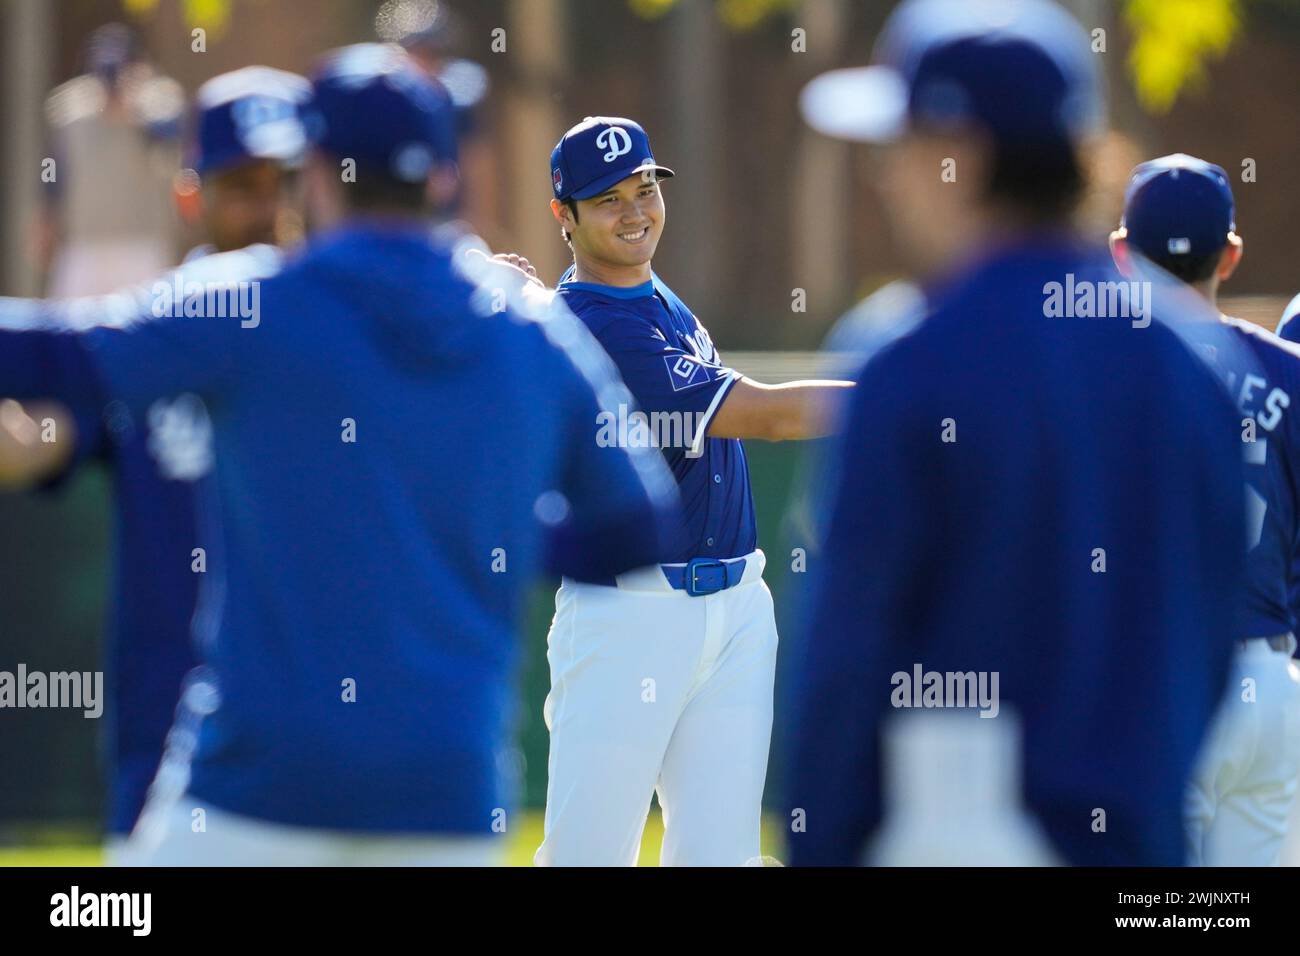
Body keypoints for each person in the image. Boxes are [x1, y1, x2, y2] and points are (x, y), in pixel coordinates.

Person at [0, 44, 679, 866]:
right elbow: (639, 528)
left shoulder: (254, 302)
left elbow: (52, 354)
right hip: (446, 796)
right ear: (441, 179)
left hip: (253, 798)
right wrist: (485, 538)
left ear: (318, 172)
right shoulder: (529, 329)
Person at [788, 0, 1246, 866]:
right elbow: (1208, 642)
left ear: (963, 155)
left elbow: (846, 671)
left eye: (905, 145)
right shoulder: (1194, 362)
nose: (887, 176)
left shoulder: (906, 359)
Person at [0, 66, 309, 861]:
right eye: (243, 183)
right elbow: (43, 439)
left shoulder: (335, 337)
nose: (267, 206)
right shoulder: (152, 336)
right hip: (165, 712)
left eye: (285, 182)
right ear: (190, 194)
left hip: (303, 720)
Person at [533, 116, 853, 866]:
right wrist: (916, 392)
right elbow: (770, 416)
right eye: (608, 198)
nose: (636, 210)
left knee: (722, 857)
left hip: (737, 602)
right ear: (564, 216)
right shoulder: (594, 323)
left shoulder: (638, 292)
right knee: (588, 857)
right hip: (633, 613)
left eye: (645, 188)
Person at [1110, 154, 1300, 866]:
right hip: (1272, 684)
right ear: (1232, 252)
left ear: (1122, 254)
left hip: (1162, 682)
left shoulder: (1097, 373)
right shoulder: (1286, 369)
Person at [36, 23, 184, 296]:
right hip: (84, 246)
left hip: (141, 246)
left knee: (143, 332)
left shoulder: (160, 103)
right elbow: (53, 173)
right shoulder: (69, 110)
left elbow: (173, 150)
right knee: (69, 329)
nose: (111, 85)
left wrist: (136, 111)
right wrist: (46, 222)